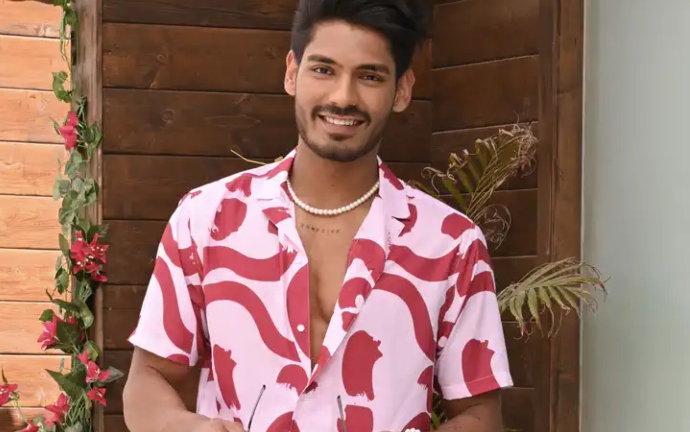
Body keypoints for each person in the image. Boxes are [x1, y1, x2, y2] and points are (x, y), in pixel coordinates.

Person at [122, 0, 513, 430]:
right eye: (324, 69)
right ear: (292, 72)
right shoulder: (206, 219)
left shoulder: (451, 243)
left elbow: (479, 412)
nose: (343, 97)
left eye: (369, 76)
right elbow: (150, 378)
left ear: (402, 89)